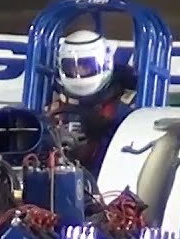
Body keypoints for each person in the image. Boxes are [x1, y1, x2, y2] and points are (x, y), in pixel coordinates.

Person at [46, 29, 136, 173]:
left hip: (109, 175)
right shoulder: (57, 102)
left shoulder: (125, 103)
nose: (78, 72)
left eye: (85, 66)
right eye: (72, 66)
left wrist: (104, 129)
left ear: (104, 63)